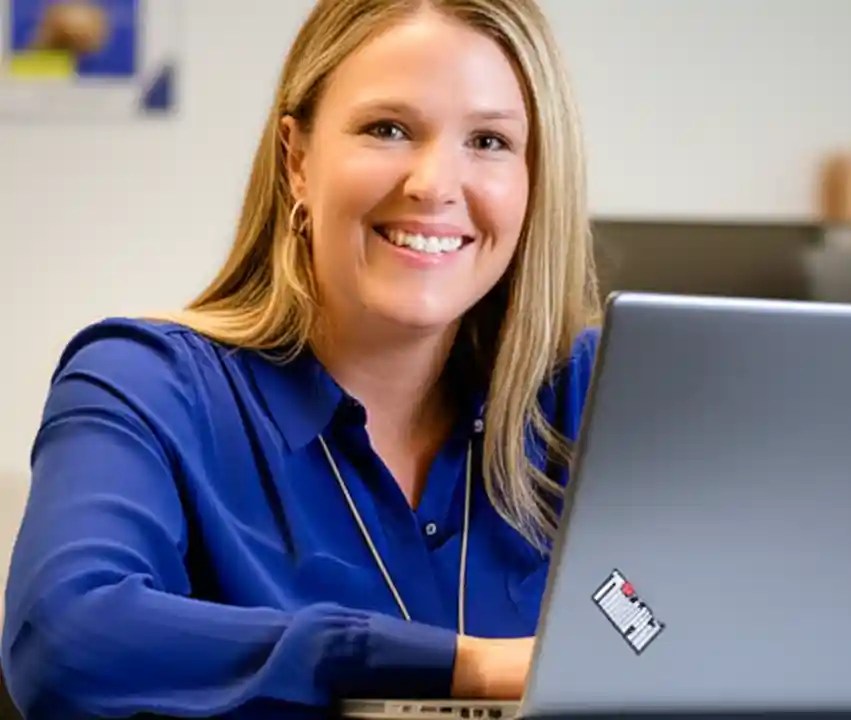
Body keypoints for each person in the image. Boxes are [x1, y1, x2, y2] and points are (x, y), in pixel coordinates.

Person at [0, 0, 600, 716]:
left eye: (490, 141)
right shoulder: (148, 383)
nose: (436, 184)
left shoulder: (591, 394)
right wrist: (463, 666)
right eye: (388, 129)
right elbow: (63, 637)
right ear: (298, 160)